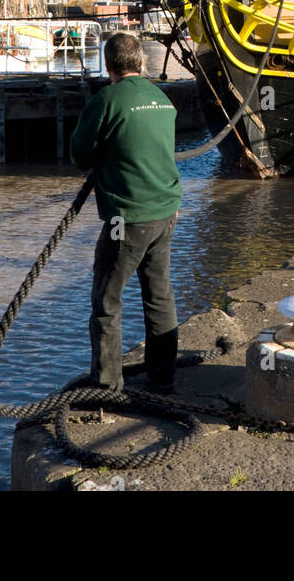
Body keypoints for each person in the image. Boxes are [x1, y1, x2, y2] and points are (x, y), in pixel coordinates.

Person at [70, 31, 182, 392]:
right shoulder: (162, 99)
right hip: (167, 212)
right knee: (159, 293)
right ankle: (163, 378)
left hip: (127, 218)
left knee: (106, 300)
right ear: (143, 62)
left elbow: (79, 156)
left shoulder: (108, 99)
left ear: (109, 66)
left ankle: (106, 387)